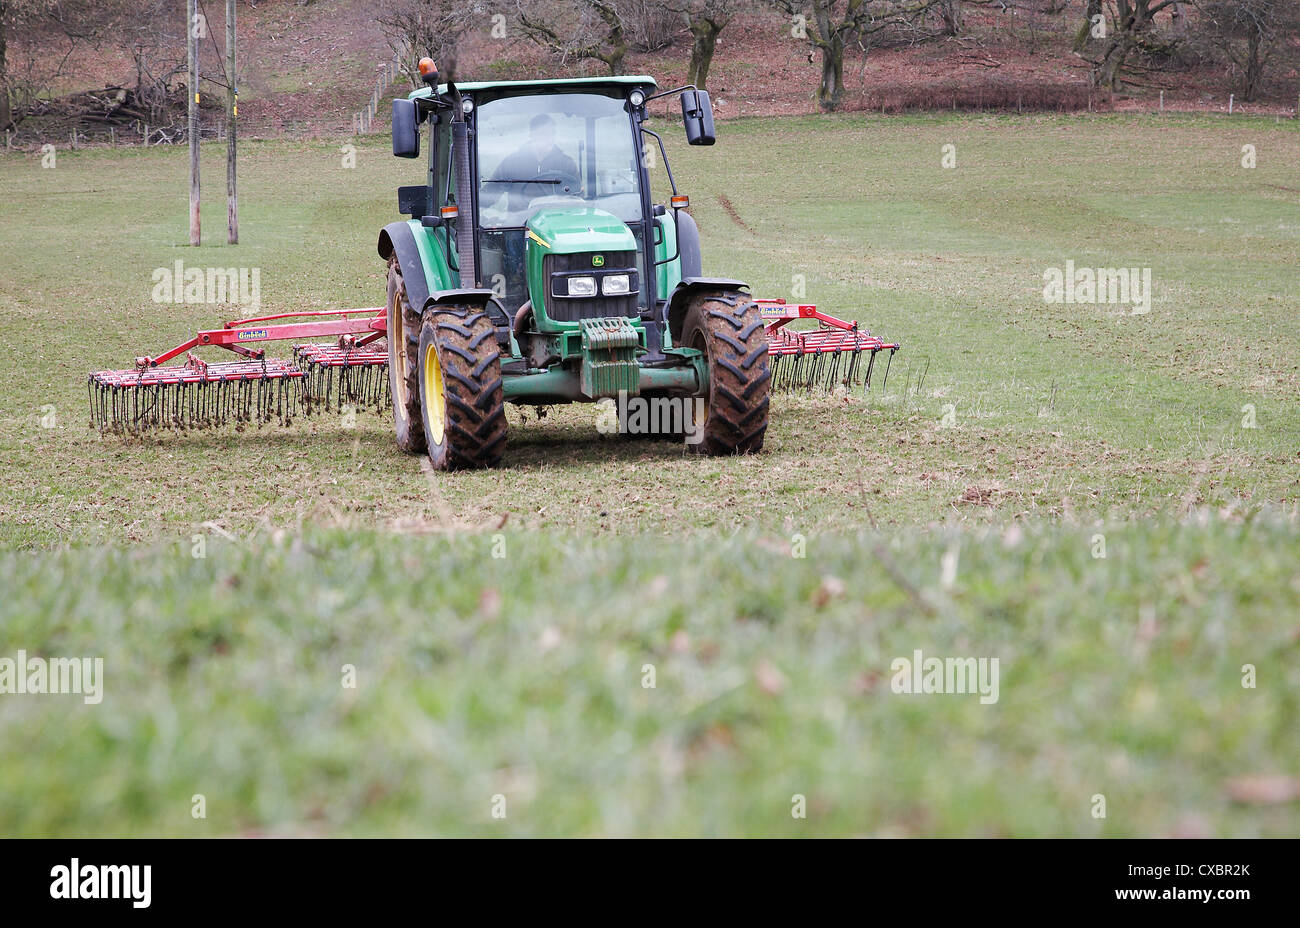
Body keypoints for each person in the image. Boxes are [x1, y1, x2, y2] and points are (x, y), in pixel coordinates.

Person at [488, 113, 580, 216]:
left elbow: (576, 199)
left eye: (550, 133)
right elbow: (491, 192)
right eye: (541, 133)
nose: (546, 138)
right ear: (532, 134)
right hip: (519, 224)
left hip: (555, 221)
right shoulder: (512, 162)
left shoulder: (566, 164)